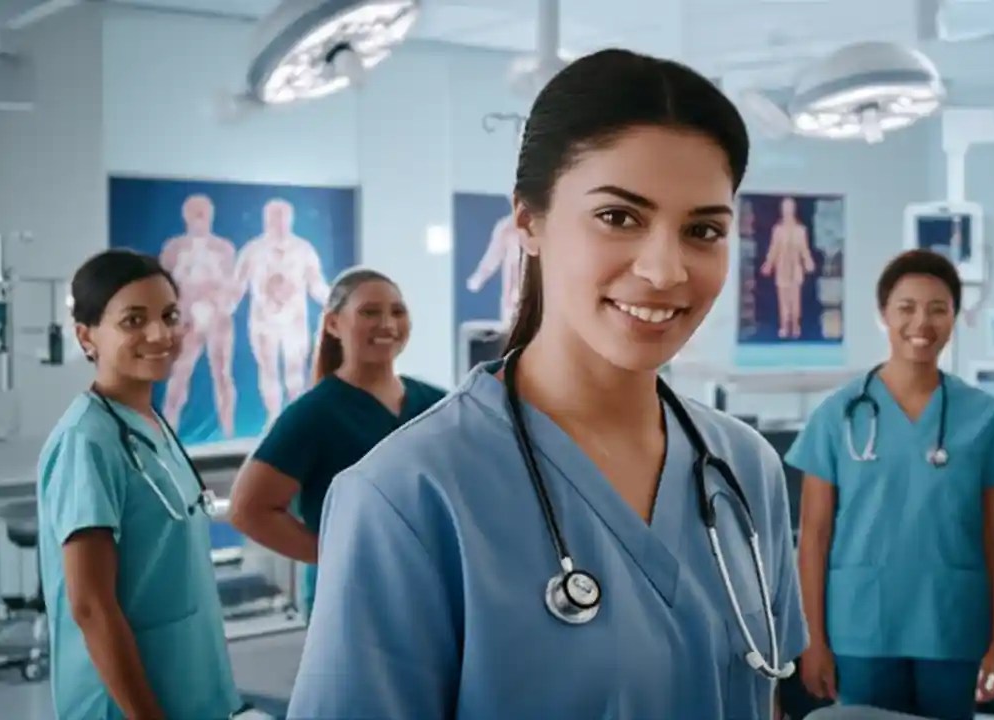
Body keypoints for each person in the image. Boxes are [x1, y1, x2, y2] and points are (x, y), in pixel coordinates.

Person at [286, 48, 807, 720]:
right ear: (528, 221)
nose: (665, 269)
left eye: (703, 230)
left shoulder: (744, 473)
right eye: (619, 217)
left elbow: (763, 697)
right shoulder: (408, 495)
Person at [785, 250, 994, 720]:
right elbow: (812, 538)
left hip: (951, 626)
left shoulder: (985, 418)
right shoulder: (839, 414)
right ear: (884, 314)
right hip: (860, 629)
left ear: (955, 317)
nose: (922, 321)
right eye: (907, 307)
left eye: (938, 308)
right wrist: (812, 640)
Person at [36, 249, 242, 719]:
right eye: (133, 320)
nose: (160, 334)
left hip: (190, 686)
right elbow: (90, 606)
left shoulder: (149, 423)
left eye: (169, 316)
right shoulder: (86, 442)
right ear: (87, 337)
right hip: (126, 705)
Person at [228, 267, 447, 619]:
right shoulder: (316, 413)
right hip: (351, 598)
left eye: (397, 311)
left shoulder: (437, 403)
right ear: (333, 324)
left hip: (427, 588)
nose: (387, 324)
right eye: (369, 312)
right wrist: (335, 556)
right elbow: (247, 509)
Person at [232, 198, 331, 426]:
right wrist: (222, 309)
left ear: (291, 219)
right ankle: (274, 420)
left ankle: (297, 421)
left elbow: (317, 285)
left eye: (283, 216)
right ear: (265, 219)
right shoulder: (252, 250)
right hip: (263, 323)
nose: (278, 222)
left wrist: (339, 302)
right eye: (273, 217)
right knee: (268, 370)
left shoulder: (303, 250)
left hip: (294, 322)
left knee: (295, 374)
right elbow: (237, 288)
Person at [159, 194, 239, 438]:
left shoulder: (223, 248)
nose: (200, 219)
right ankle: (167, 432)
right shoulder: (174, 248)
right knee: (179, 376)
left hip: (217, 318)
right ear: (186, 216)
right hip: (187, 318)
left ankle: (229, 434)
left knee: (223, 375)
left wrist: (219, 302)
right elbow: (163, 288)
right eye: (195, 213)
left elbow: (231, 287)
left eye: (203, 213)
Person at [759, 196, 815, 339]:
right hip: (782, 269)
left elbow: (804, 249)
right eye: (785, 208)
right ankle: (784, 326)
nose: (787, 211)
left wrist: (808, 262)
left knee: (795, 301)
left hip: (796, 270)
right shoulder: (777, 230)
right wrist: (768, 264)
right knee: (783, 302)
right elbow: (773, 249)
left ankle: (795, 326)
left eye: (790, 208)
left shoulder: (800, 230)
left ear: (793, 210)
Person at [466, 200, 522, 328]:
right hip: (512, 295)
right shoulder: (506, 228)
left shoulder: (545, 228)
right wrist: (479, 277)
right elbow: (493, 257)